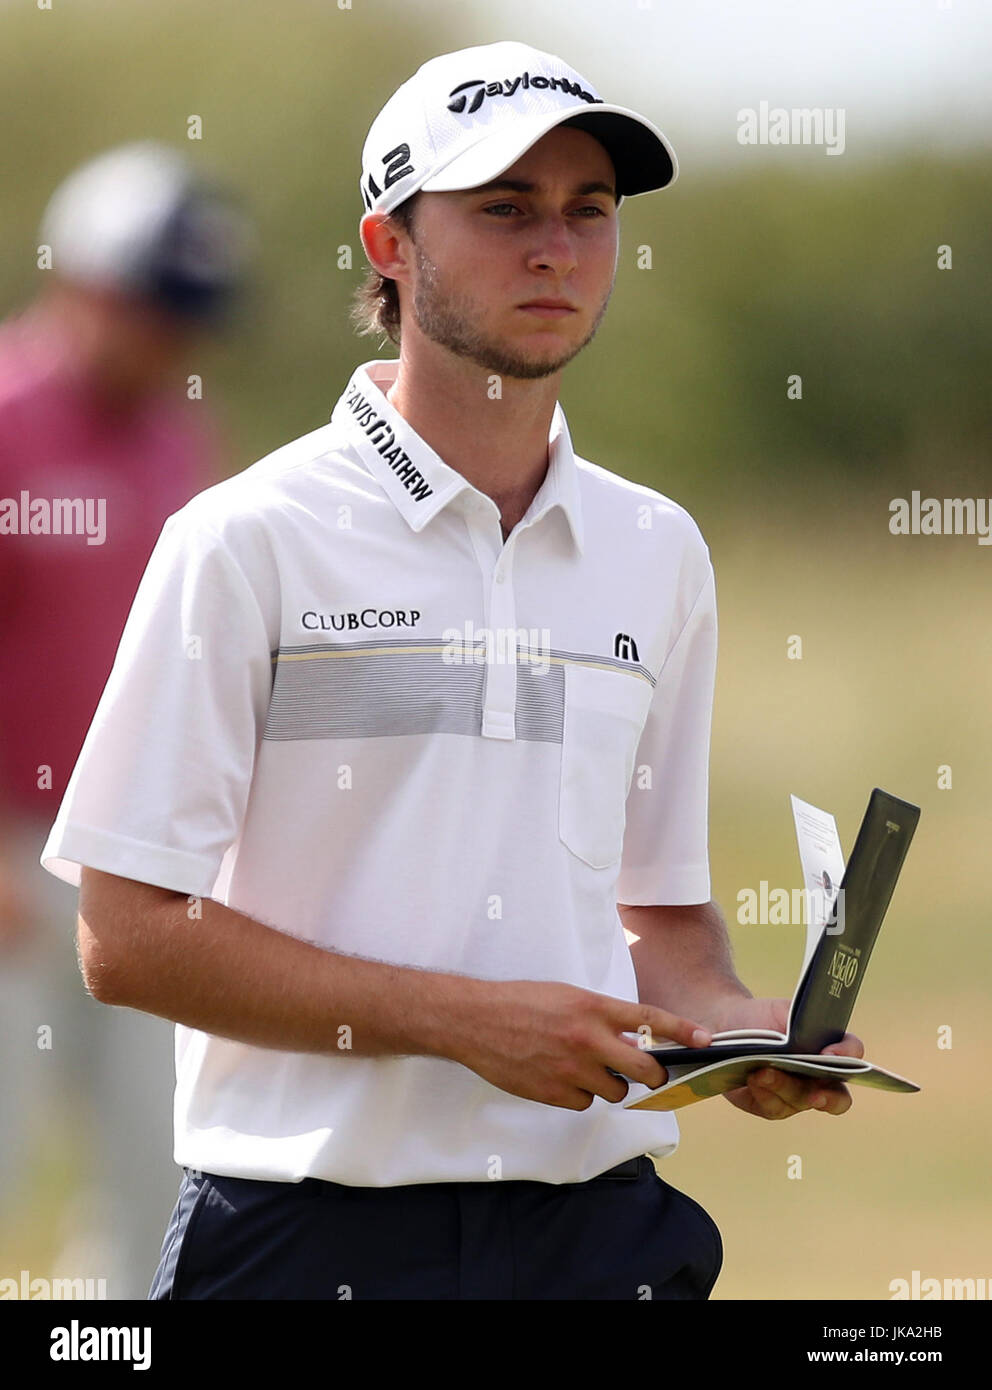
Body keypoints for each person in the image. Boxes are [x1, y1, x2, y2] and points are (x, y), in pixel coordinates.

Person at [39, 42, 863, 1302]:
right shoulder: (244, 539)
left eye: (589, 212)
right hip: (305, 1237)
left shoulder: (657, 549)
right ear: (388, 244)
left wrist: (727, 1028)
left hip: (602, 1231)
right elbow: (128, 940)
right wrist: (459, 1020)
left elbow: (660, 915)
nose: (556, 249)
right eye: (502, 209)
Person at [0, 140, 251, 1297]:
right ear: (85, 284)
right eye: (156, 309)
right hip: (5, 854)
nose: (172, 342)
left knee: (156, 1183)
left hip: (140, 866)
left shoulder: (177, 439)